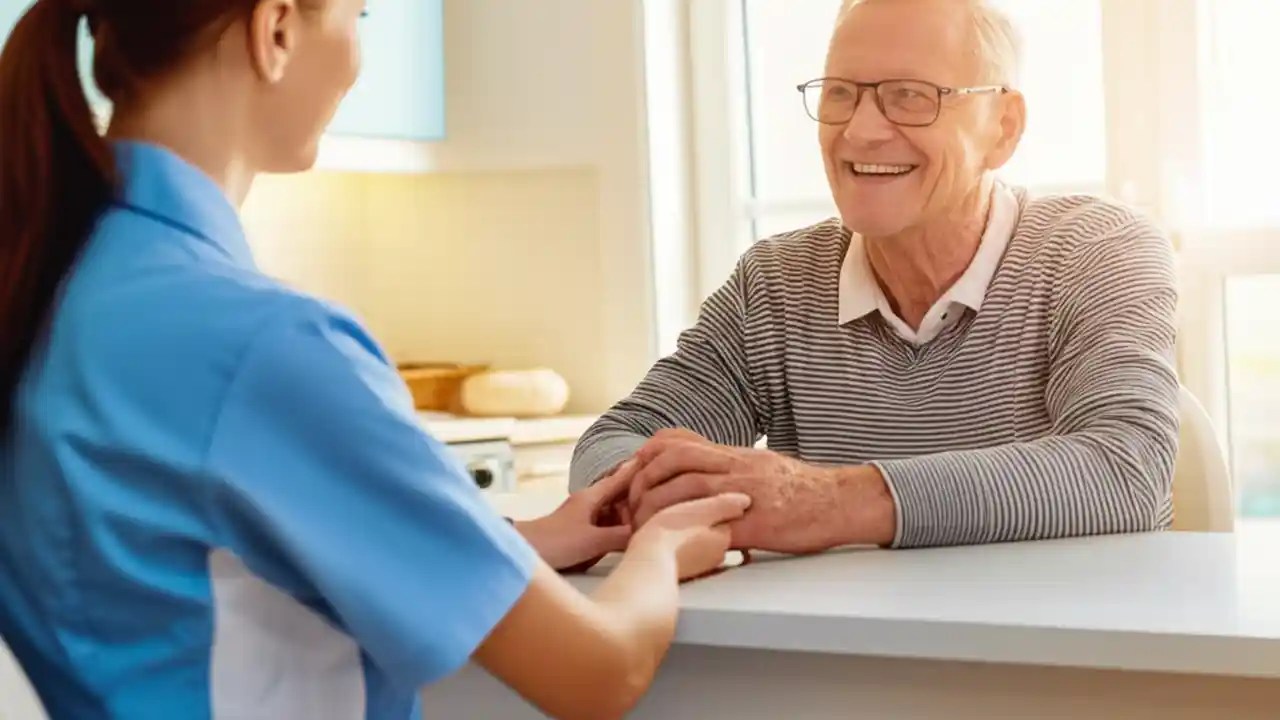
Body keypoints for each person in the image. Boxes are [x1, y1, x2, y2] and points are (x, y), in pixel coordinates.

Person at [0, 1, 752, 718]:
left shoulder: (50, 287)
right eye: (357, 18)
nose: (357, 62)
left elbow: (190, 577)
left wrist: (514, 544)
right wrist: (661, 549)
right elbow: (599, 672)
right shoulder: (263, 346)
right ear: (277, 30)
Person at [571, 0, 1180, 552]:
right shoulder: (776, 282)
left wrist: (826, 502)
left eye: (911, 95)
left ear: (1003, 128)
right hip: (847, 662)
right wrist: (660, 490)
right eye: (840, 93)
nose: (860, 131)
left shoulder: (1097, 250)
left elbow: (1127, 471)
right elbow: (616, 440)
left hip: (1065, 660)